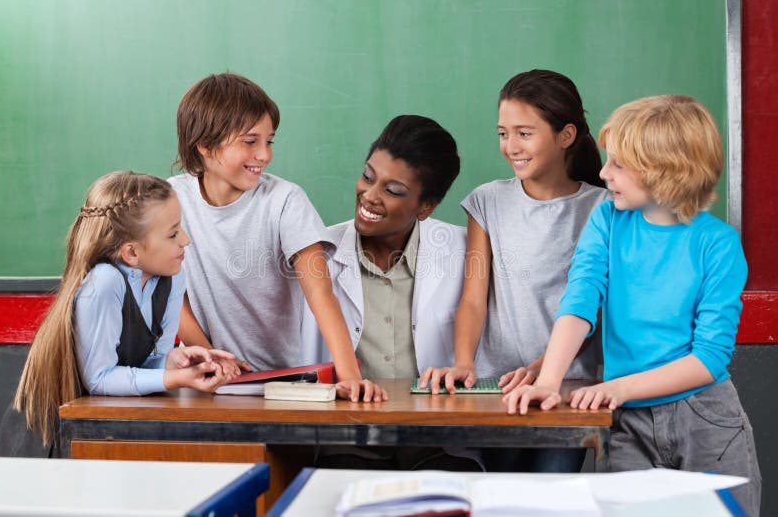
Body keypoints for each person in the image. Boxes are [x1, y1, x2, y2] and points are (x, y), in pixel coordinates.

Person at [505, 95, 761, 515]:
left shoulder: (717, 244)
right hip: (627, 422)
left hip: (705, 419)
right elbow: (580, 302)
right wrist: (549, 381)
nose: (603, 173)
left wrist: (619, 388)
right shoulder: (607, 221)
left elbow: (709, 358)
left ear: (666, 170)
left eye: (618, 164)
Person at [421, 70, 608, 472]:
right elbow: (473, 297)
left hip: (566, 388)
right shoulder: (487, 201)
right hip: (498, 387)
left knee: (549, 498)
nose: (510, 146)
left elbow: (590, 310)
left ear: (566, 135)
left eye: (525, 133)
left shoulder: (602, 208)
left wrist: (544, 369)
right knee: (499, 496)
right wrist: (464, 362)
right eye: (503, 133)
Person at [169, 73, 386, 402]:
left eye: (269, 141)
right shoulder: (170, 201)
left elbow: (321, 294)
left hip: (280, 385)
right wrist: (213, 357)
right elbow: (172, 293)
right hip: (204, 381)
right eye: (250, 141)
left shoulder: (285, 200)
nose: (264, 154)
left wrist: (350, 376)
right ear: (206, 145)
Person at [0, 171, 237, 458]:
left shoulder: (172, 278)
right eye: (173, 233)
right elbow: (99, 379)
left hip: (104, 428)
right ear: (131, 253)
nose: (185, 240)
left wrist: (173, 362)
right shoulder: (105, 282)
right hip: (52, 439)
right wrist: (175, 379)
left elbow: (146, 363)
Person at [301, 115, 480, 470]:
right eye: (369, 176)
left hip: (438, 439)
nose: (370, 195)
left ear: (425, 207)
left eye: (393, 190)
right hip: (346, 439)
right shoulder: (317, 254)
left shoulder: (463, 253)